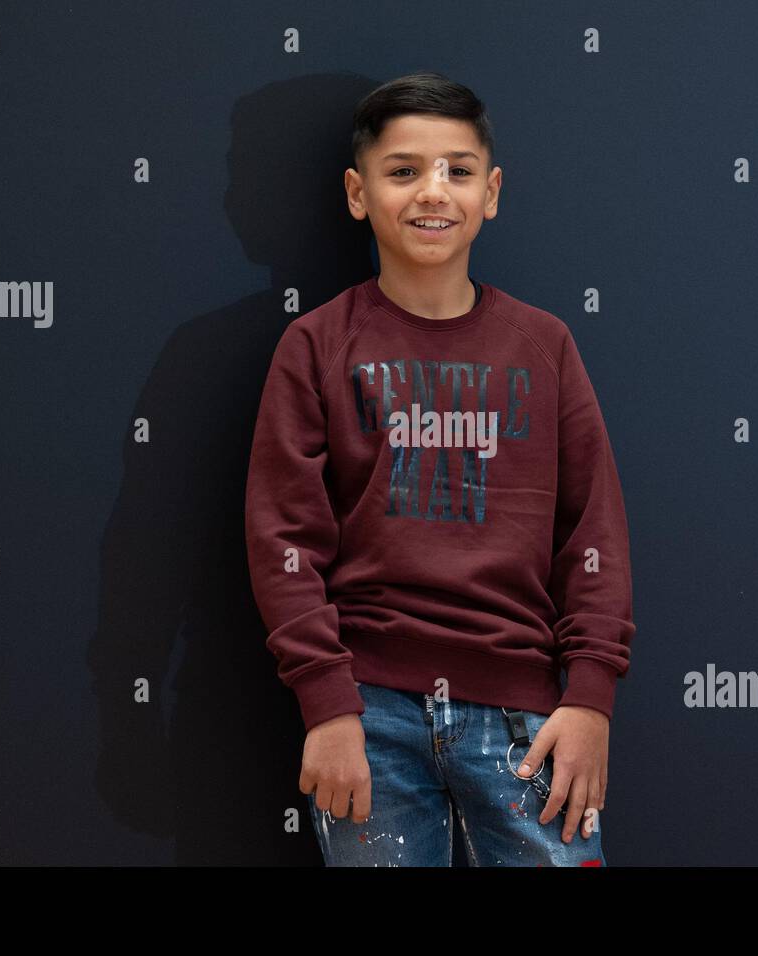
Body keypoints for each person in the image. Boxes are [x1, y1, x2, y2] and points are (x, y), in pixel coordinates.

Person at [243, 71, 635, 866]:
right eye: (403, 171)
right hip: (368, 716)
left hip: (527, 720)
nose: (433, 192)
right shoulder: (316, 347)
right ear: (358, 193)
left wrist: (591, 696)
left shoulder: (545, 345)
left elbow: (593, 530)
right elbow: (284, 540)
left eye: (458, 170)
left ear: (491, 193)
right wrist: (326, 705)